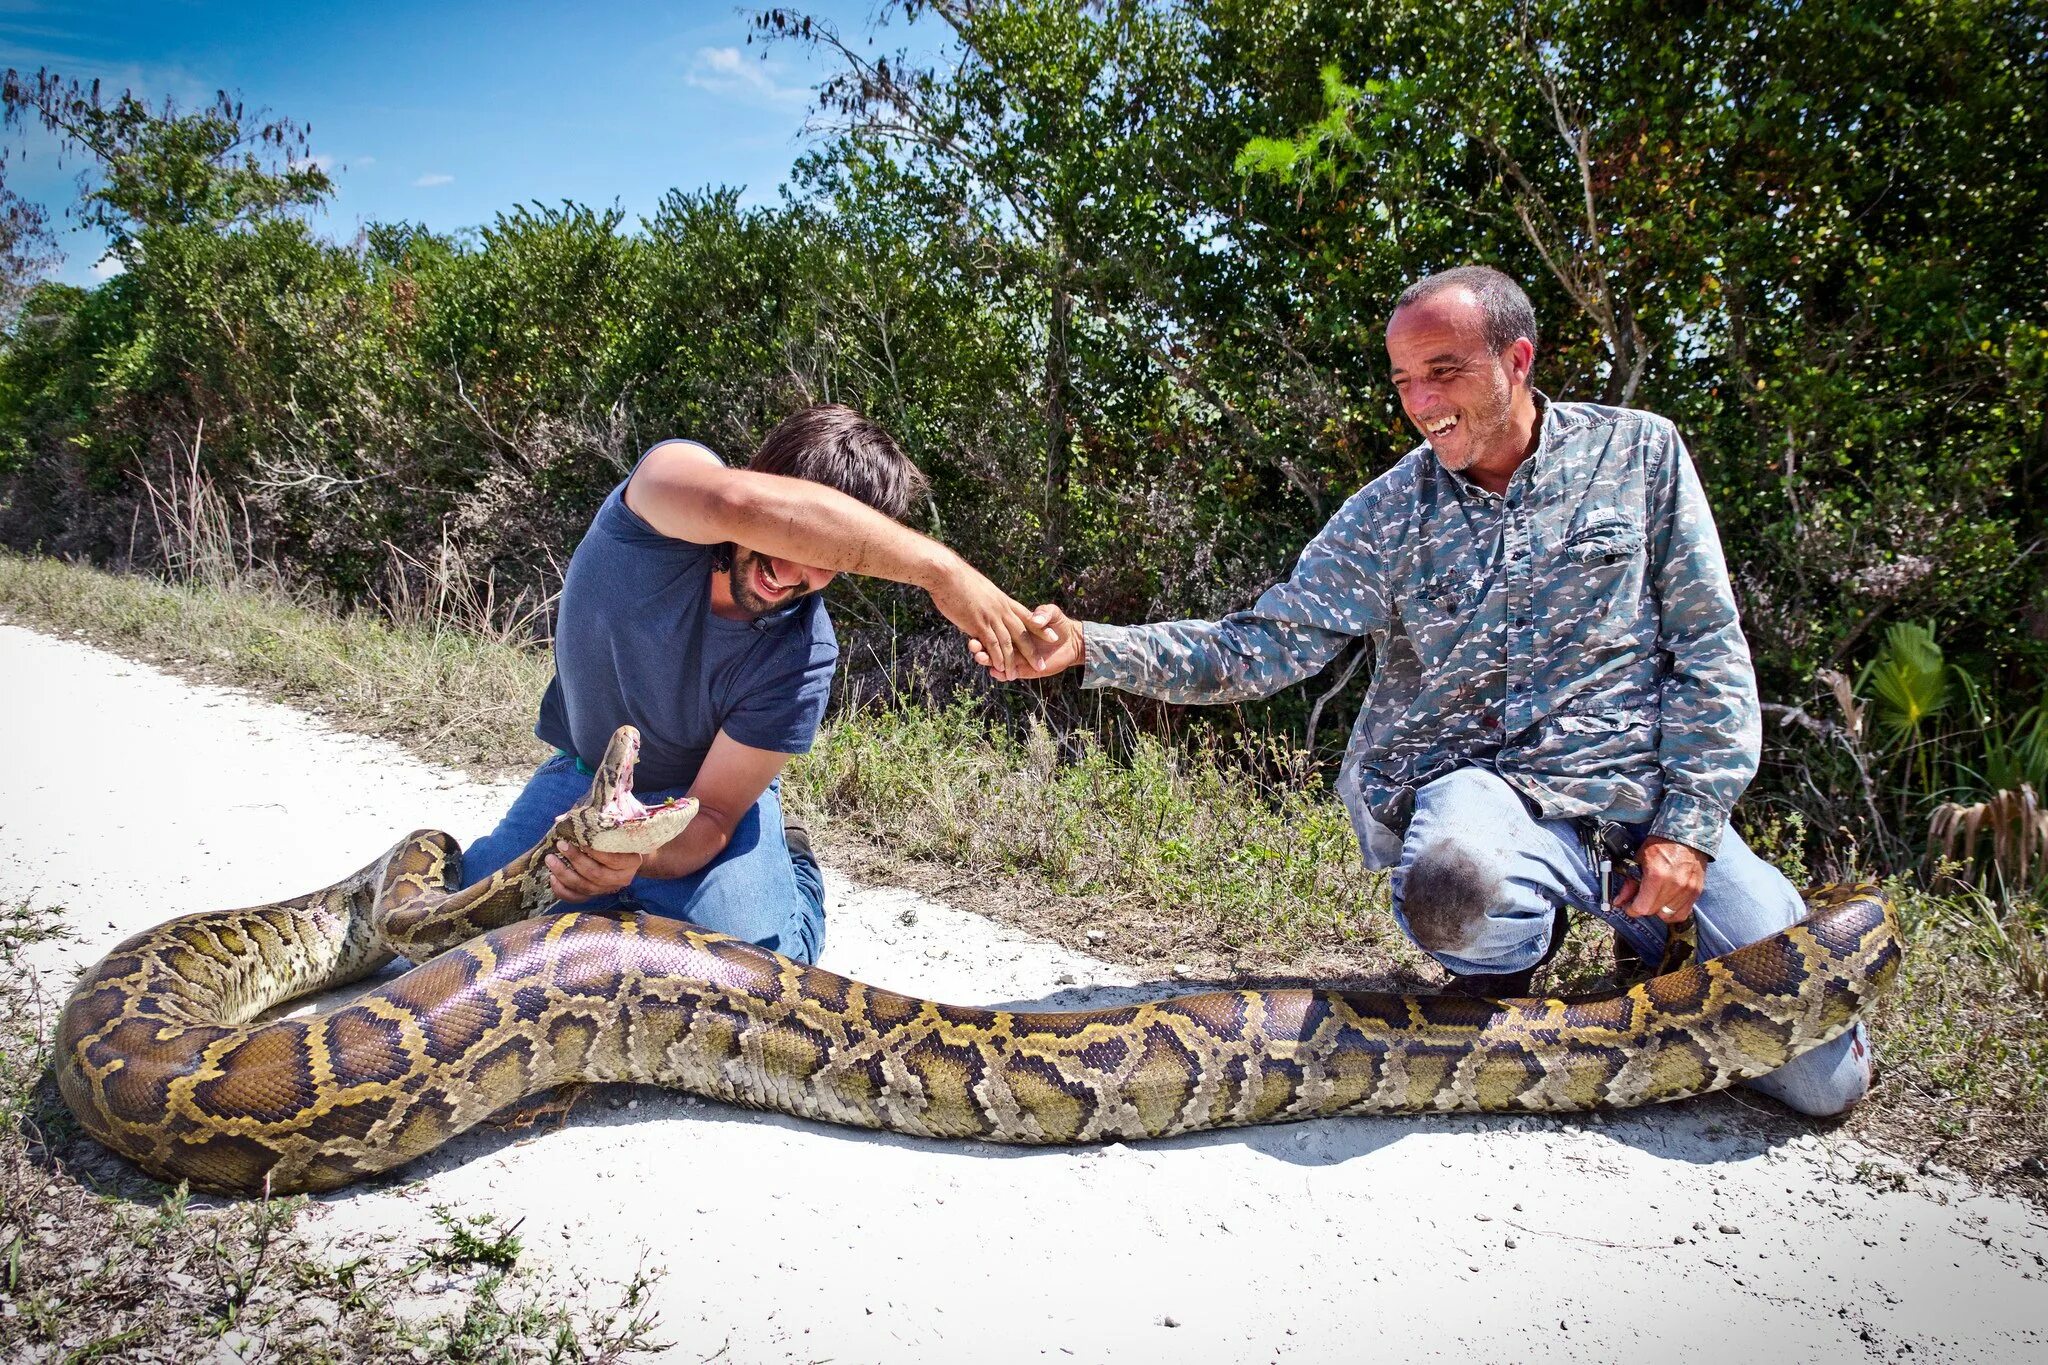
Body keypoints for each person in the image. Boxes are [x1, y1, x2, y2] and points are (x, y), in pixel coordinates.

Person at [973, 266, 1869, 1116]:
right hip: (1490, 797)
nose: (1423, 403)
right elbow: (1263, 646)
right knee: (1451, 883)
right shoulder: (1390, 511)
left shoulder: (1640, 454)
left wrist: (1689, 827)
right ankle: (1508, 966)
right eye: (1405, 381)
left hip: (1638, 799)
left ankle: (1655, 945)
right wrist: (1091, 648)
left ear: (1518, 360)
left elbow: (1710, 648)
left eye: (1444, 371)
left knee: (1826, 1081)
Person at [461, 403, 1055, 965]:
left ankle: (796, 872)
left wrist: (632, 857)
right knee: (455, 946)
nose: (797, 573)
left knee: (762, 971)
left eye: (834, 559)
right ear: (769, 486)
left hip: (697, 804)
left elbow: (714, 813)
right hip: (585, 777)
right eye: (798, 537)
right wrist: (941, 571)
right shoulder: (657, 500)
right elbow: (737, 501)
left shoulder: (806, 653)